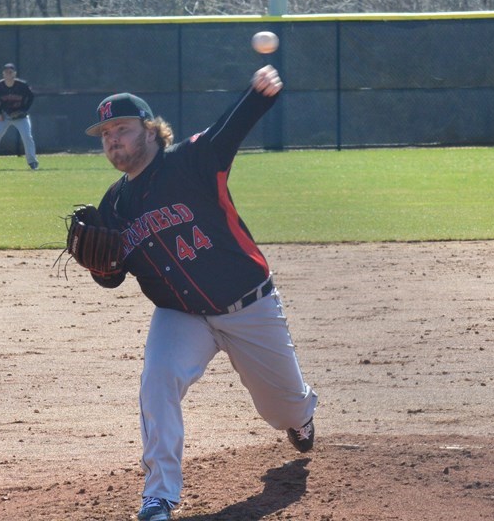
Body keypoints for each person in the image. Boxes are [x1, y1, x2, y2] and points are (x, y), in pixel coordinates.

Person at [82, 65, 318, 521]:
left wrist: (258, 93)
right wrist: (98, 266)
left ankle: (301, 417)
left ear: (150, 130)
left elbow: (230, 128)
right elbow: (112, 275)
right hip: (180, 315)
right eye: (106, 133)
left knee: (283, 409)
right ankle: (159, 496)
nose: (113, 140)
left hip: (248, 305)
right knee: (157, 381)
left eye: (122, 129)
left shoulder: (192, 159)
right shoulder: (114, 203)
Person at [0, 63, 38, 171]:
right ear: (3, 74)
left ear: (15, 74)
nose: (8, 74)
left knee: (27, 136)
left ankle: (32, 162)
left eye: (10, 72)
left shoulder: (22, 85)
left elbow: (31, 97)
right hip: (4, 115)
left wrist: (23, 111)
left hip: (20, 117)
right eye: (6, 72)